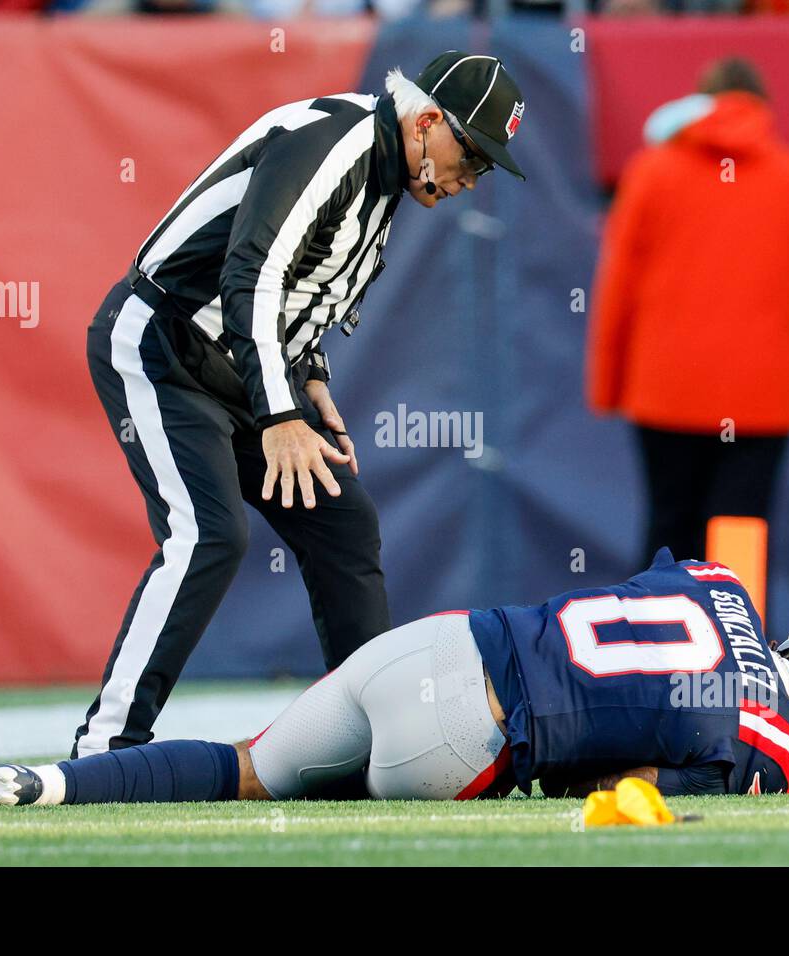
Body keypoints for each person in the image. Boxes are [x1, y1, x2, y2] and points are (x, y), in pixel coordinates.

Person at [72, 52, 528, 758]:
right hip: (165, 344)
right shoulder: (335, 143)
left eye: (486, 166)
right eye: (470, 152)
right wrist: (282, 417)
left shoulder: (385, 171)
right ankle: (107, 745)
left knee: (344, 525)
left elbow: (303, 289)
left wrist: (308, 375)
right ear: (427, 121)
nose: (471, 177)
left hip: (248, 367)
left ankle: (379, 742)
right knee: (209, 536)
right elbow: (252, 272)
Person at [0, 549, 789, 807]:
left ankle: (36, 782)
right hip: (468, 736)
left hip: (434, 641)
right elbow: (620, 797)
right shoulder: (765, 744)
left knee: (246, 770)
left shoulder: (714, 581)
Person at [586, 58, 789, 573]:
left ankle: (657, 647)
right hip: (766, 395)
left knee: (668, 529)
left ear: (699, 102)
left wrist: (608, 386)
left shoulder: (649, 174)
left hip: (664, 391)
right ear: (762, 107)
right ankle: (740, 648)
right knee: (742, 540)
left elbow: (617, 286)